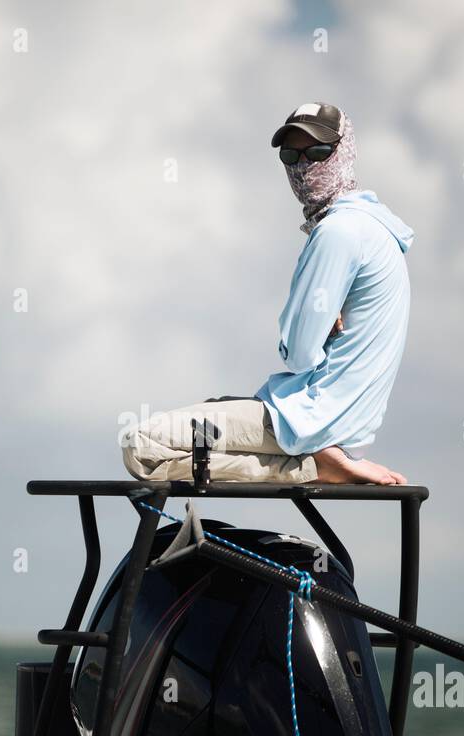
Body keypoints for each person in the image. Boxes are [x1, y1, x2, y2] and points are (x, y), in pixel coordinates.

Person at [121, 102, 415, 485]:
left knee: (142, 445)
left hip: (310, 420)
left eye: (319, 151)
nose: (304, 165)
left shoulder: (337, 233)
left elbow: (298, 353)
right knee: (210, 412)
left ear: (346, 153)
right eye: (291, 155)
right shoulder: (375, 226)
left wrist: (314, 319)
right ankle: (318, 461)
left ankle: (313, 466)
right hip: (333, 418)